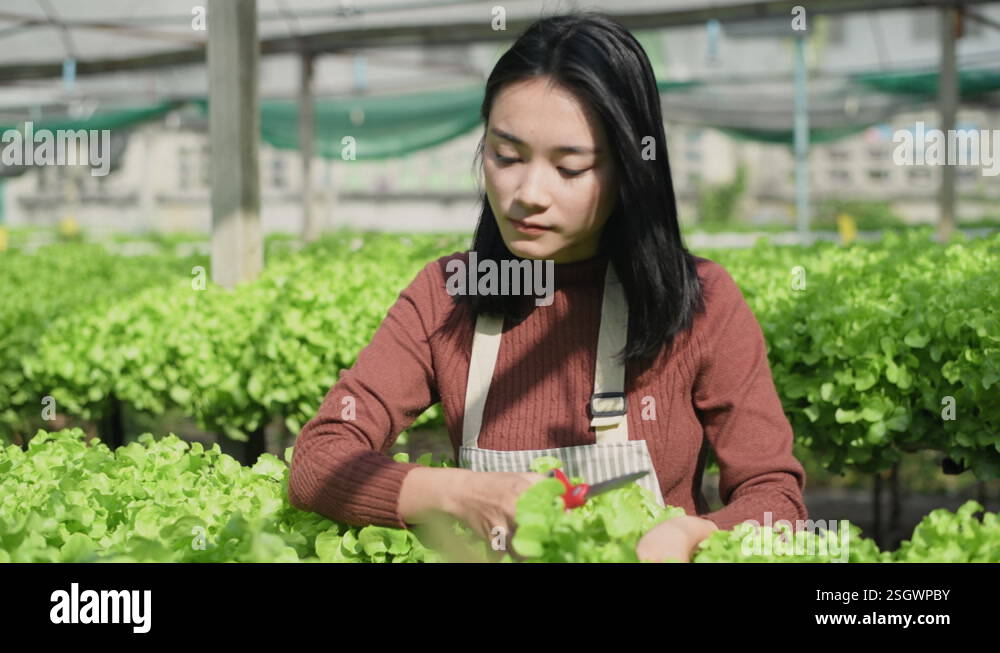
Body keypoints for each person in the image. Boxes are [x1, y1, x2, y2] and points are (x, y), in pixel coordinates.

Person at [288, 12, 807, 563]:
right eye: (506, 156)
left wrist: (686, 537)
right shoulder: (449, 294)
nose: (528, 193)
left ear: (632, 167)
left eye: (571, 167)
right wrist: (462, 495)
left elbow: (776, 500)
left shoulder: (701, 300)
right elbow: (319, 459)